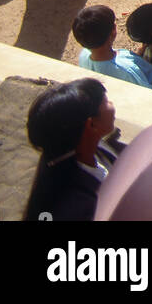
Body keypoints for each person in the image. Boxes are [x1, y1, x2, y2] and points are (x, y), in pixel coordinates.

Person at [23, 78, 117, 221]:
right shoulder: (78, 206)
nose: (112, 105)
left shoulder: (93, 148)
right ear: (91, 125)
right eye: (106, 102)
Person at [71, 5, 152, 90]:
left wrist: (138, 54)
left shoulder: (84, 54)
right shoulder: (126, 71)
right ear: (113, 32)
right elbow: (151, 92)